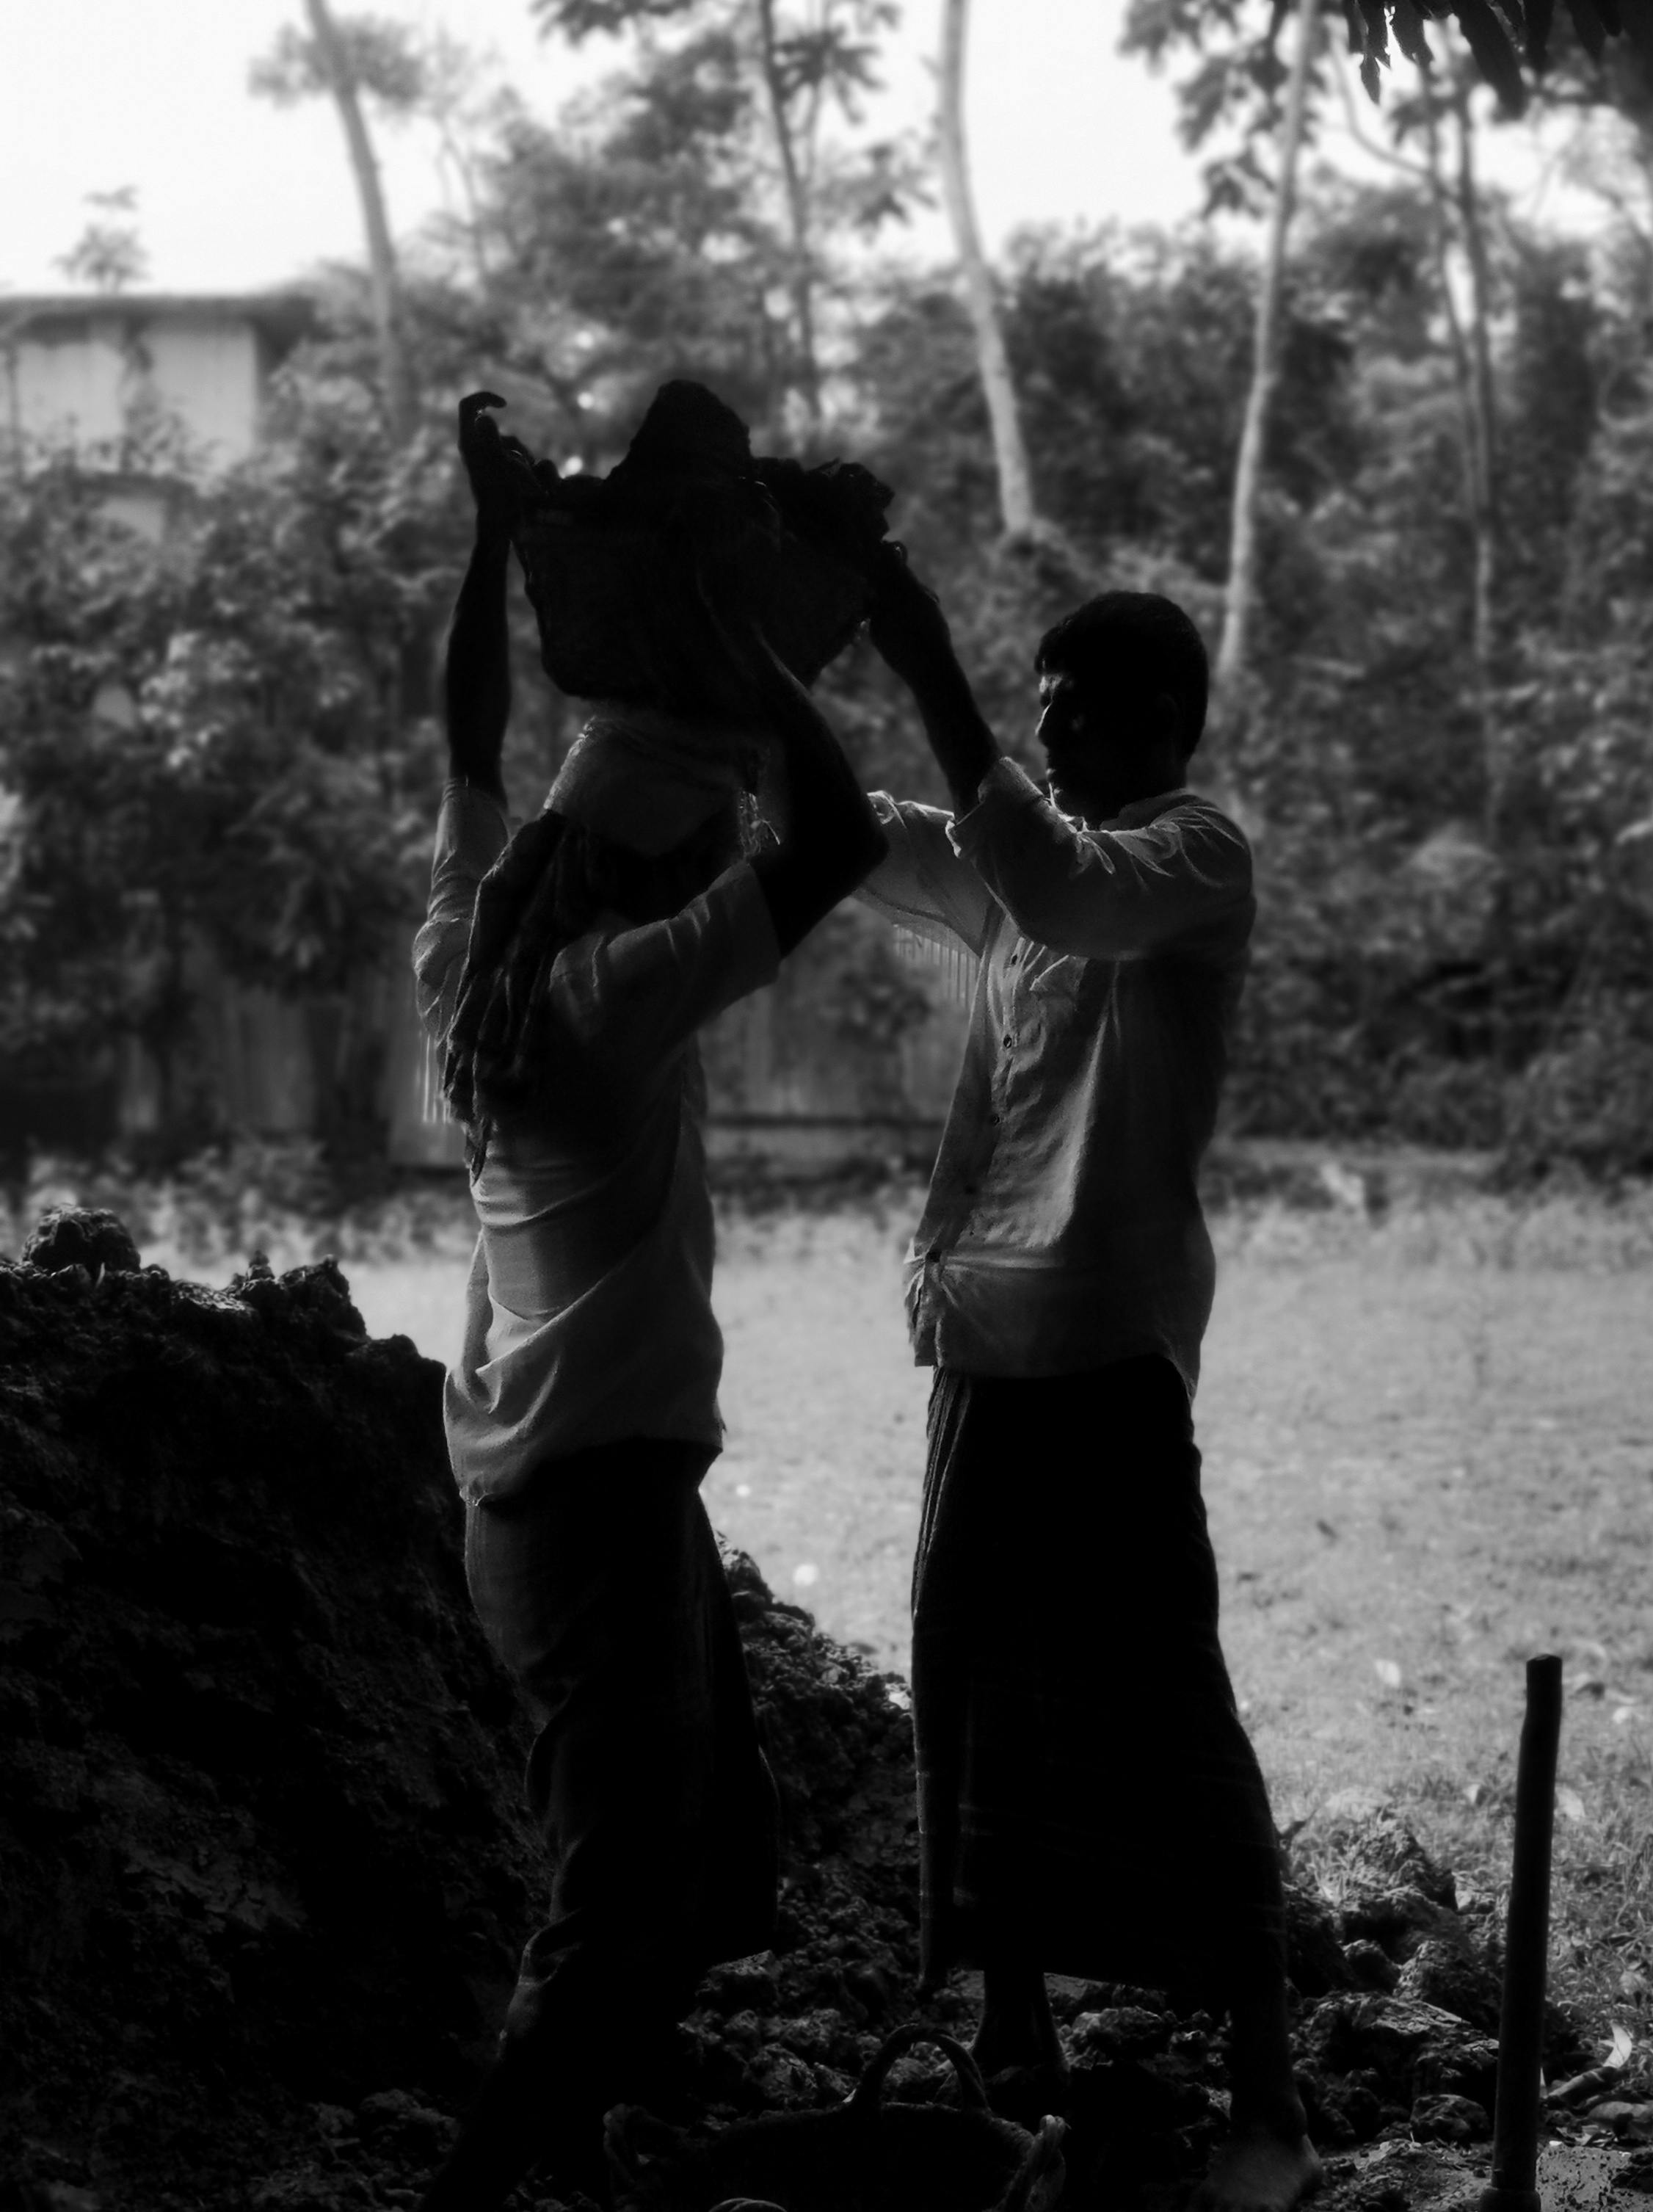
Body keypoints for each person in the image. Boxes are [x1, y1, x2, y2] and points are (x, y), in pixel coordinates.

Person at [413, 394, 886, 2212]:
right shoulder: (604, 997)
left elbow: (467, 742)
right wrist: (738, 645)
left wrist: (485, 542)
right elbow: (830, 840)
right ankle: (477, 2195)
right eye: (697, 862)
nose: (715, 882)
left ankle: (594, 2150)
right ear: (645, 870)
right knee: (615, 1927)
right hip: (588, 1505)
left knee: (718, 1878)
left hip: (587, 1492)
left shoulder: (485, 948)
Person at [856, 557, 1321, 2212]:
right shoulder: (1023, 872)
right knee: (972, 1682)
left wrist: (920, 650)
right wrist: (734, 671)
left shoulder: (1191, 859)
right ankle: (1014, 2028)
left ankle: (1267, 2080)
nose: (1047, 737)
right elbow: (882, 831)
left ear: (1160, 725)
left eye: (1073, 714)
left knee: (1157, 1692)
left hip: (1112, 1345)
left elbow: (1049, 878)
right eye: (1034, 711)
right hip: (985, 1335)